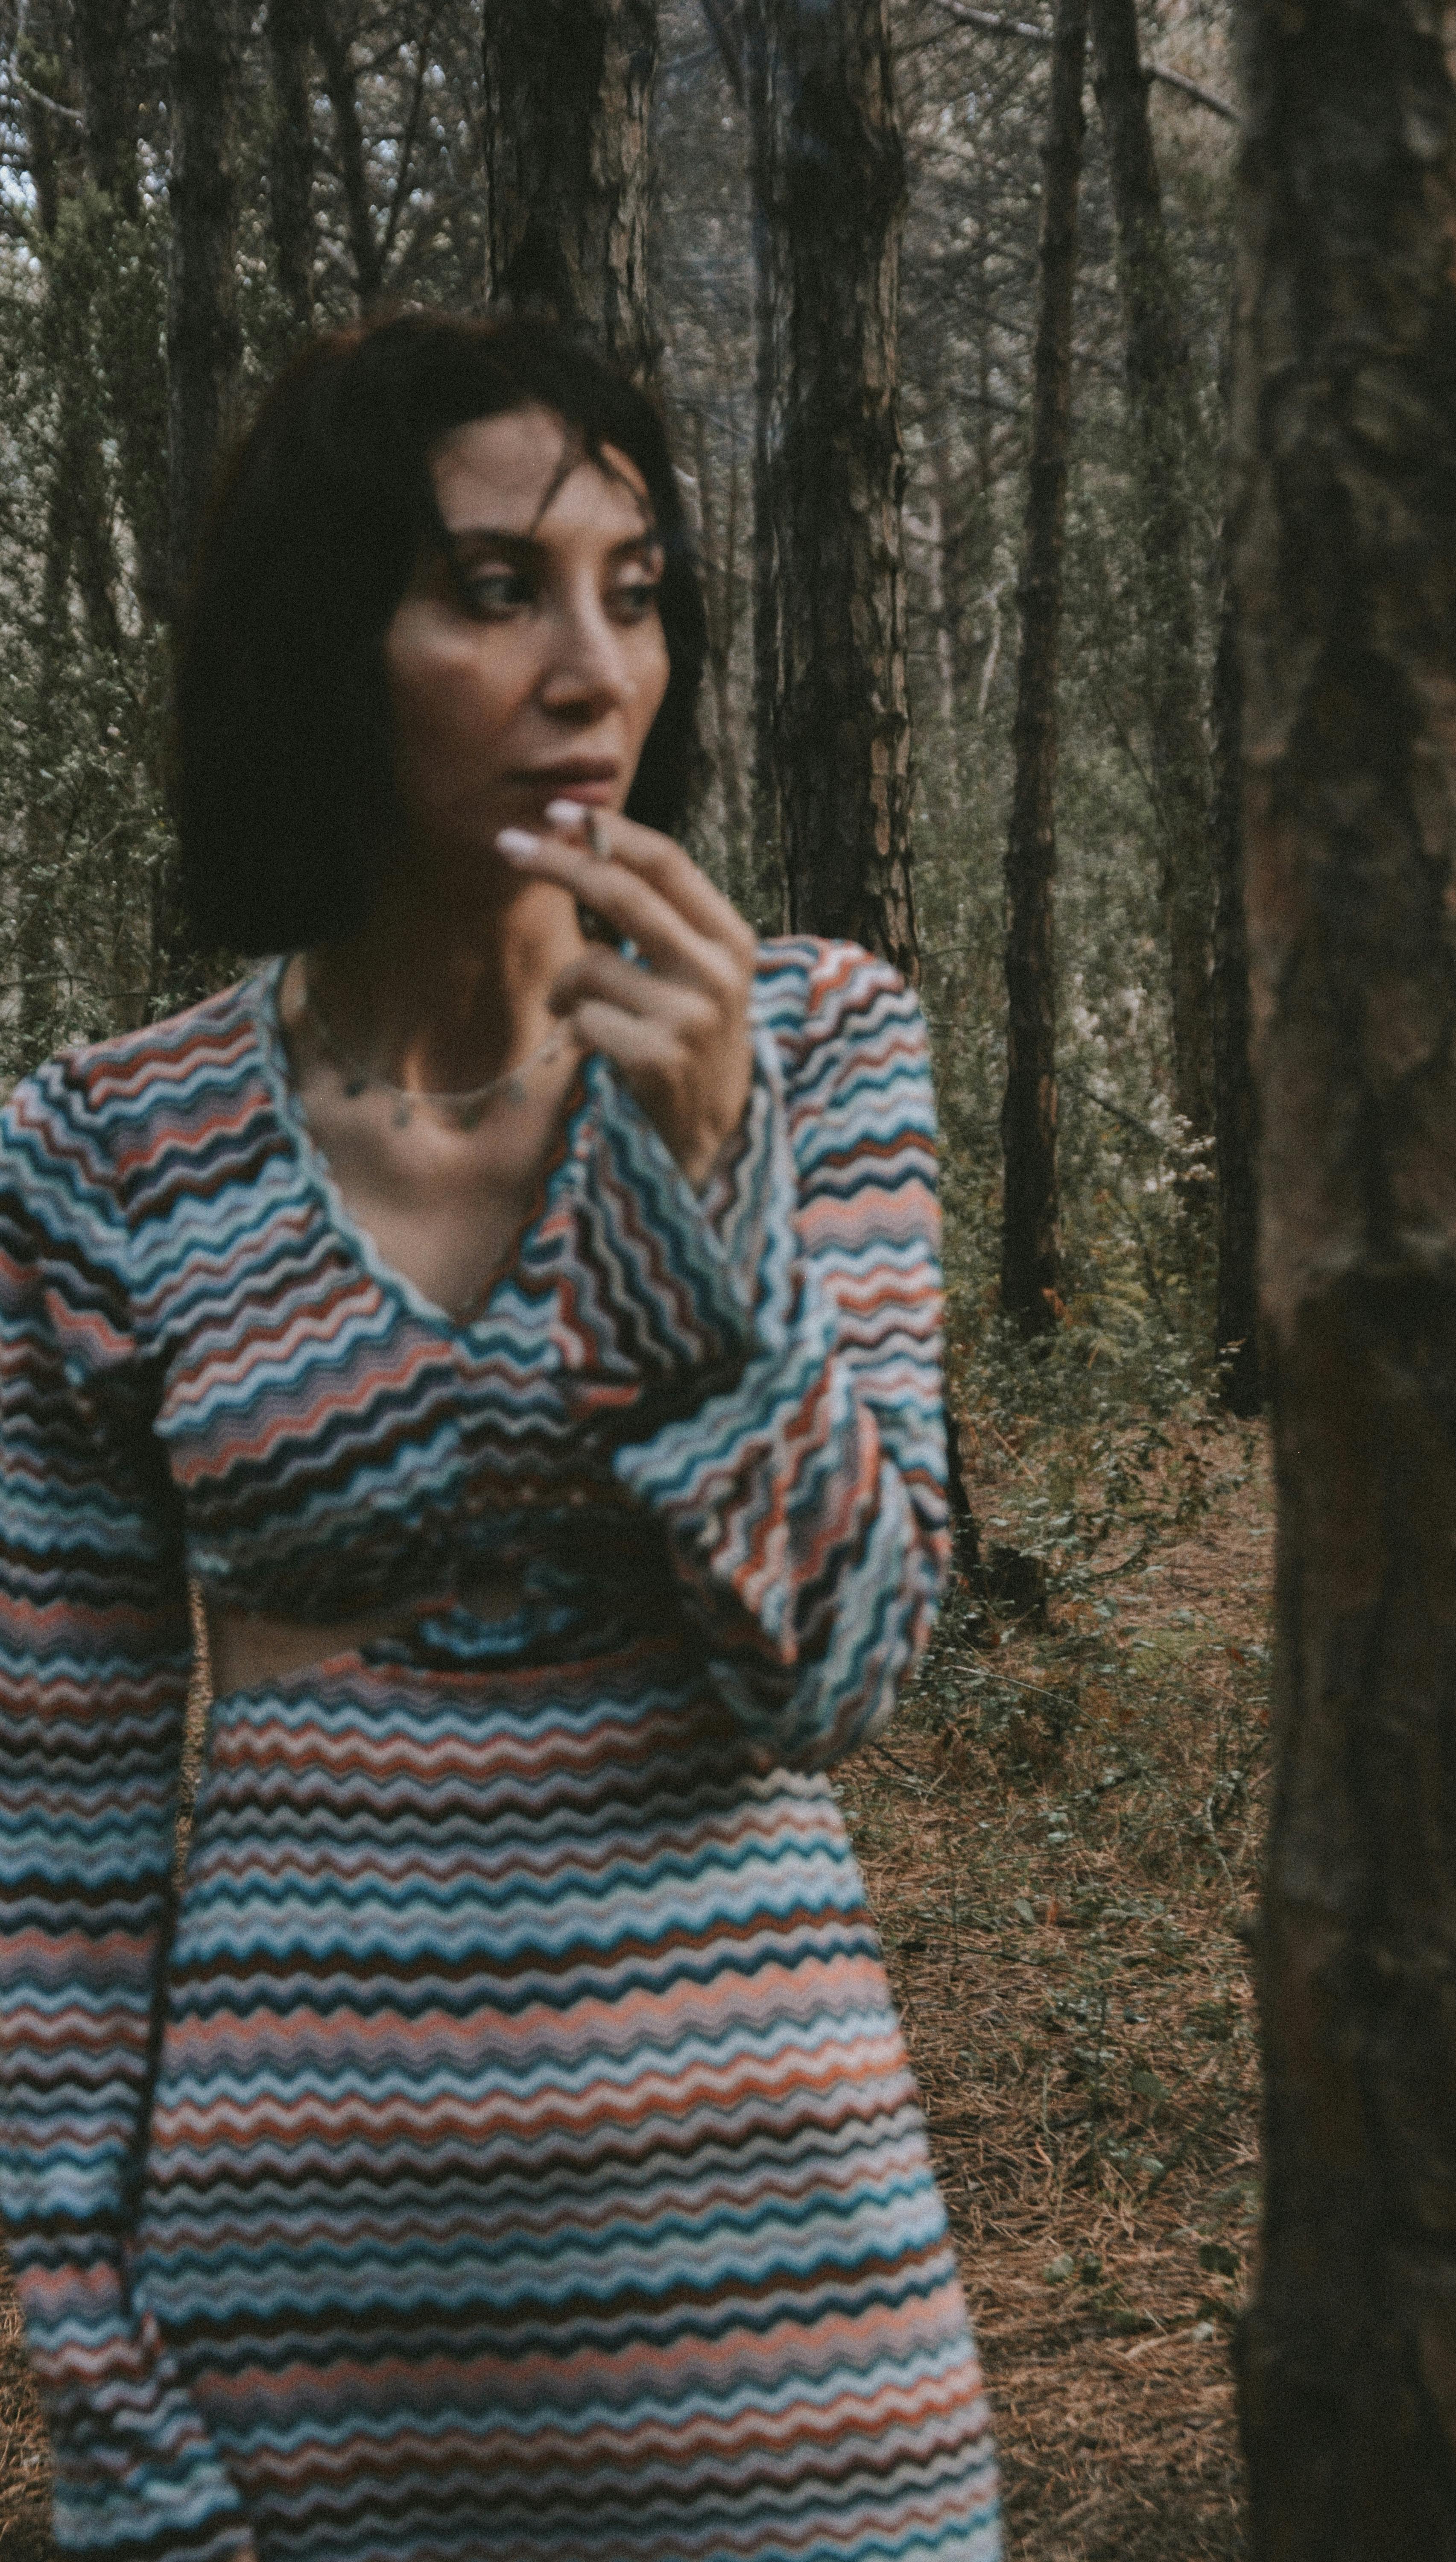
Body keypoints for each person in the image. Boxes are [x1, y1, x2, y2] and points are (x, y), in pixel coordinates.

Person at [0, 310, 1001, 2562]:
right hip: (295, 2382)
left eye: (632, 595)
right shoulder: (101, 1153)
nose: (592, 670)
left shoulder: (817, 1046)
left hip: (788, 2373)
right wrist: (105, 2397)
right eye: (493, 590)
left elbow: (837, 1671)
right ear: (324, 642)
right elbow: (53, 1858)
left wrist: (707, 1173)